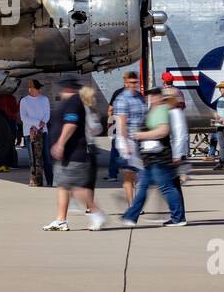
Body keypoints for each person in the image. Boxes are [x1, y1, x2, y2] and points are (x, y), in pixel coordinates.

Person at [42, 78, 106, 231]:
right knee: (64, 186)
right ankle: (61, 220)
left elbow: (71, 124)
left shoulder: (73, 102)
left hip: (74, 153)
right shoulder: (74, 102)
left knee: (74, 187)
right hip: (68, 154)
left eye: (63, 88)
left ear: (68, 89)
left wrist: (60, 144)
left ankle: (96, 212)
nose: (61, 91)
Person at [121, 87, 187, 227]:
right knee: (146, 187)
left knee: (167, 187)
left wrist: (177, 155)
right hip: (151, 158)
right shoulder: (156, 111)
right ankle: (130, 216)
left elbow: (172, 133)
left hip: (160, 157)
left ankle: (178, 218)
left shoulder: (170, 112)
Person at [112, 71, 147, 198]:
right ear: (126, 83)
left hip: (140, 137)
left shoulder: (139, 97)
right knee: (130, 173)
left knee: (140, 173)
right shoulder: (122, 99)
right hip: (127, 138)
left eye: (136, 82)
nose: (134, 85)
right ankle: (132, 204)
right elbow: (122, 123)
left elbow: (144, 116)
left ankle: (136, 202)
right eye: (131, 82)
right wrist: (126, 144)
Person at [19, 79, 52, 187]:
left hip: (43, 131)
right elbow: (24, 117)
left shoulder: (44, 99)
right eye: (37, 88)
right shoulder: (24, 101)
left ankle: (50, 180)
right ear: (31, 89)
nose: (40, 90)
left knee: (46, 157)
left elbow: (47, 115)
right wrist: (37, 123)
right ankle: (36, 180)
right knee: (33, 158)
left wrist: (42, 124)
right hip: (29, 132)